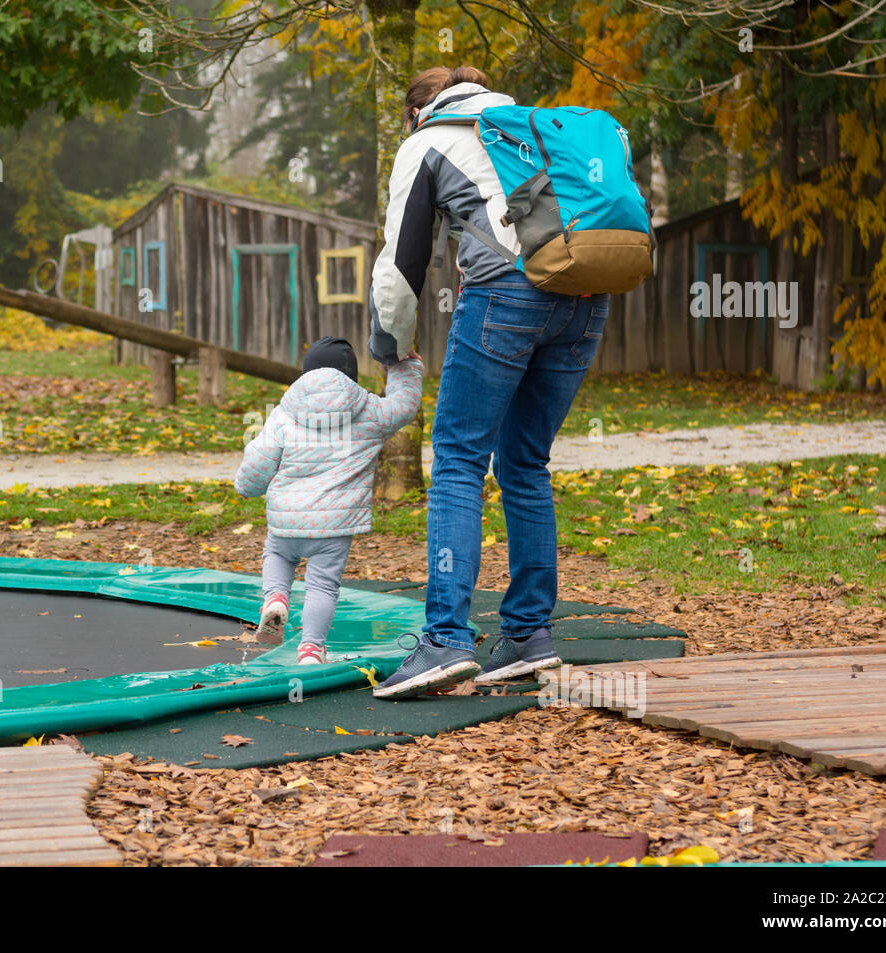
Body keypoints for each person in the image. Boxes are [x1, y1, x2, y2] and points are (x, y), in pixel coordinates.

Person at [368, 66, 609, 698]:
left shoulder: (426, 143)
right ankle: (529, 635)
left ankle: (445, 642)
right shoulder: (534, 127)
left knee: (456, 461)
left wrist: (389, 347)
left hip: (504, 298)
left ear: (418, 113)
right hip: (587, 297)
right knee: (526, 463)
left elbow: (400, 262)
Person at [235, 336, 423, 664]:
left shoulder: (284, 412)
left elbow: (258, 461)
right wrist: (402, 365)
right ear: (351, 376)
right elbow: (405, 405)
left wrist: (247, 487)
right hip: (334, 526)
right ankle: (311, 648)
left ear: (305, 373)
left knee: (277, 554)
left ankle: (276, 598)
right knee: (323, 586)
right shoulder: (370, 411)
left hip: (287, 518)